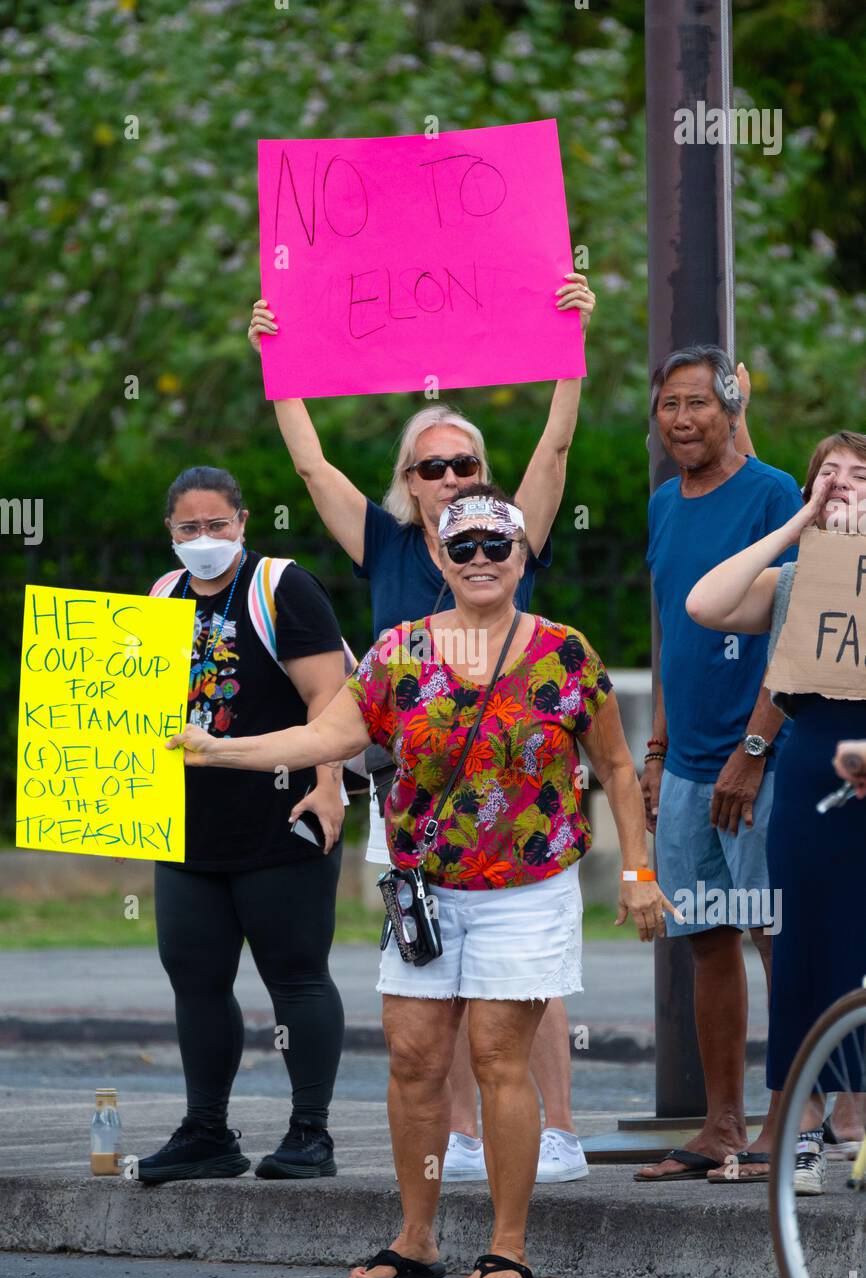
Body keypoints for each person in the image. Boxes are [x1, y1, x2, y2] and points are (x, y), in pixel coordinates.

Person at [168, 484, 676, 1278]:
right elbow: (324, 733)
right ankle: (417, 1239)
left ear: (520, 557)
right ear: (439, 556)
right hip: (423, 893)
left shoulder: (564, 652)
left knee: (497, 1057)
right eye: (462, 547)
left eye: (495, 546)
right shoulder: (398, 651)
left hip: (525, 888)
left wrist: (641, 870)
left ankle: (508, 1245)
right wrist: (220, 751)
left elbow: (615, 765)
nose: (479, 560)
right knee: (412, 1058)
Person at [248, 275, 597, 1183]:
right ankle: (467, 1145)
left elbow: (557, 444)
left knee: (526, 983)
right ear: (408, 482)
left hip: (514, 803)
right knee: (423, 971)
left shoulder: (512, 530)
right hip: (414, 803)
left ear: (485, 476)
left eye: (464, 466)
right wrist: (277, 362)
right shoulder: (388, 542)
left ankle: (554, 1130)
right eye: (431, 468)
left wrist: (570, 344)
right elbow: (312, 469)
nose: (450, 482)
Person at [136, 466, 349, 1184]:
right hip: (188, 831)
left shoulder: (281, 587)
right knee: (195, 978)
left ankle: (310, 1133)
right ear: (170, 533)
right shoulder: (161, 598)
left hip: (280, 817)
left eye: (217, 525)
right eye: (189, 528)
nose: (204, 539)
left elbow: (330, 698)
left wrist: (327, 789)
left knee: (295, 976)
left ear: (244, 521)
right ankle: (207, 1132)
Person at [636, 346, 803, 1183]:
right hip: (689, 769)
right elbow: (674, 633)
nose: (683, 420)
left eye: (698, 402)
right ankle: (723, 1127)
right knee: (706, 938)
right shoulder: (665, 503)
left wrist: (754, 749)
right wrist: (660, 749)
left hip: (760, 766)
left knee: (779, 936)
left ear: (732, 406)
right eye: (669, 405)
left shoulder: (776, 495)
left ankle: (793, 1118)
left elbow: (797, 636)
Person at [686, 432, 866, 1191]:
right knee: (809, 945)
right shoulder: (796, 578)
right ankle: (814, 1119)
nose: (841, 484)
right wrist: (799, 527)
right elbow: (705, 602)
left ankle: (857, 1118)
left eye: (859, 475)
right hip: (811, 775)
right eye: (827, 473)